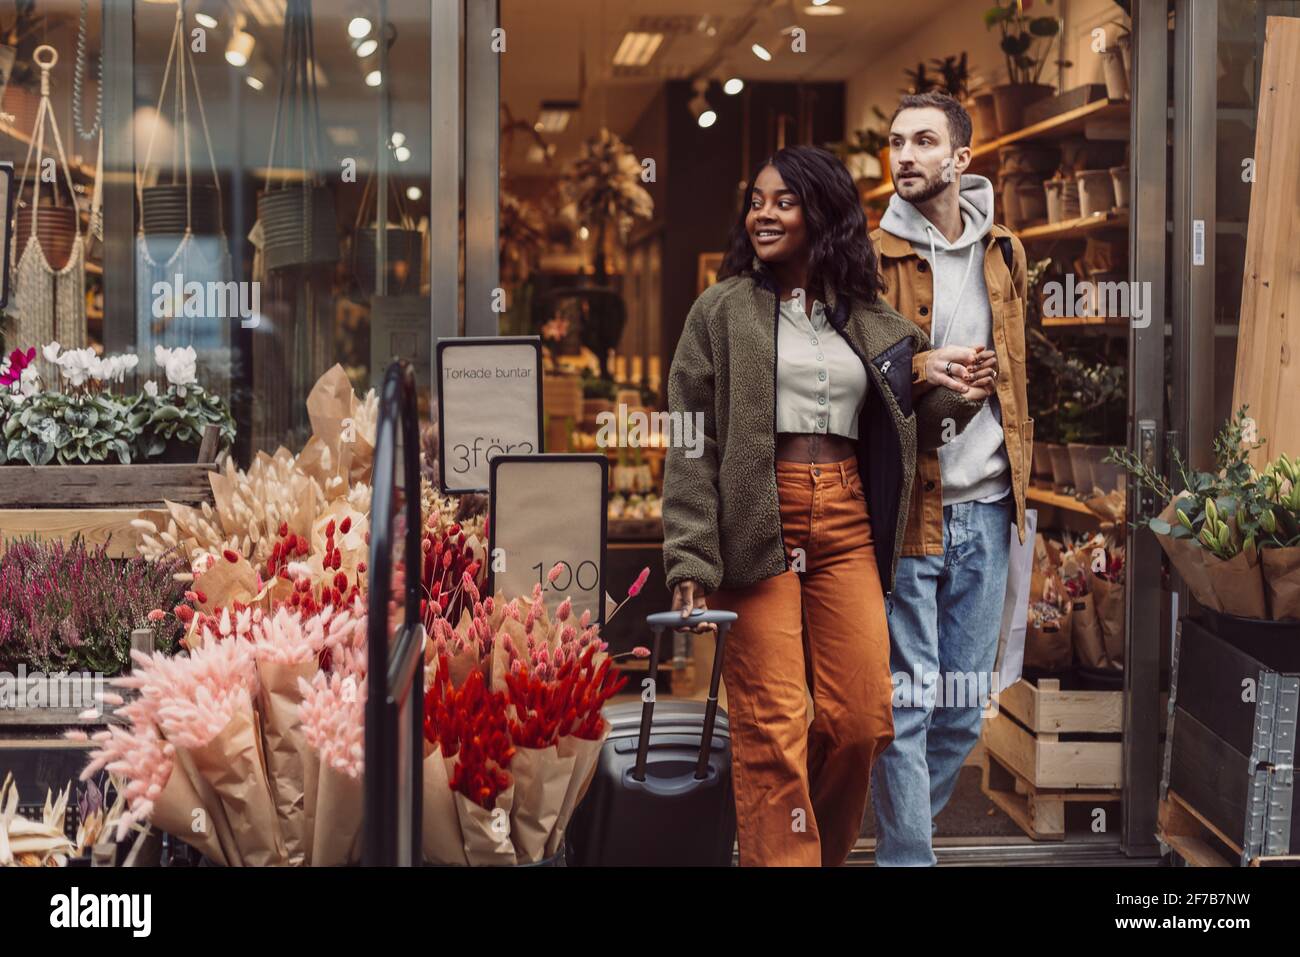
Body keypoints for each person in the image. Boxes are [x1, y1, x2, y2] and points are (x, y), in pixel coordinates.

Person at [660, 144, 989, 867]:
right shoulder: (721, 312)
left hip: (846, 522)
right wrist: (689, 553)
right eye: (756, 200)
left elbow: (915, 425)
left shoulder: (873, 320)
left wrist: (952, 388)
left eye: (783, 201)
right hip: (758, 521)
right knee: (776, 723)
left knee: (863, 720)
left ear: (824, 212)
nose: (763, 214)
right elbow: (691, 440)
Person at [867, 92, 1031, 867]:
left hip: (990, 505)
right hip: (912, 506)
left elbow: (1018, 377)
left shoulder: (1005, 251)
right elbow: (843, 379)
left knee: (963, 713)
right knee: (907, 702)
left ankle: (905, 834)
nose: (903, 155)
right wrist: (917, 365)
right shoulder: (868, 260)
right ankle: (909, 858)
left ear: (960, 160)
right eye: (895, 142)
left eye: (923, 141)